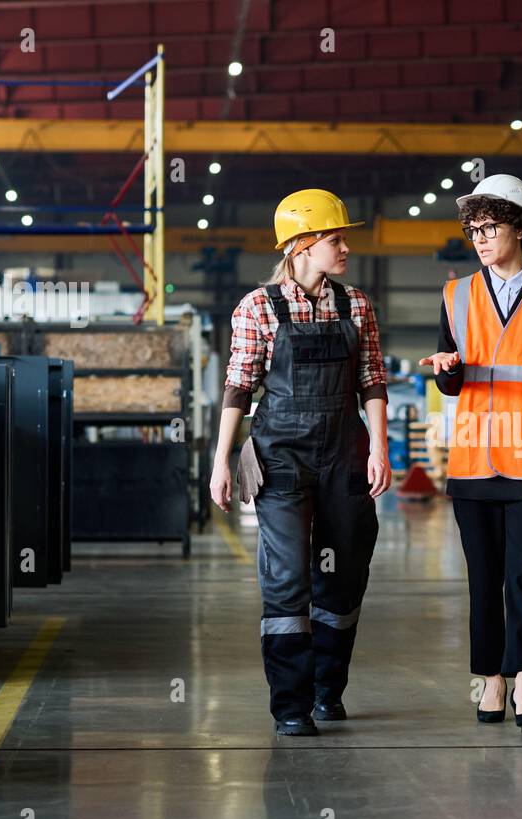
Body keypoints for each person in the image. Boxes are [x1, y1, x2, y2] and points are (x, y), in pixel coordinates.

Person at [210, 188, 391, 737]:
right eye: (335, 240)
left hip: (345, 454)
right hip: (281, 458)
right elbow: (238, 388)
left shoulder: (355, 304)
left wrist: (380, 447)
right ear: (301, 246)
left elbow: (372, 381)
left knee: (343, 574)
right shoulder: (258, 308)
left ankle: (326, 691)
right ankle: (289, 705)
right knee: (287, 579)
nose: (344, 249)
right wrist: (221, 462)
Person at [418, 174, 522, 731]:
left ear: (519, 227)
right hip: (473, 459)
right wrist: (446, 372)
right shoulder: (455, 295)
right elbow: (452, 382)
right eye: (474, 230)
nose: (481, 239)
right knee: (483, 578)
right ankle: (490, 681)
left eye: (490, 227)